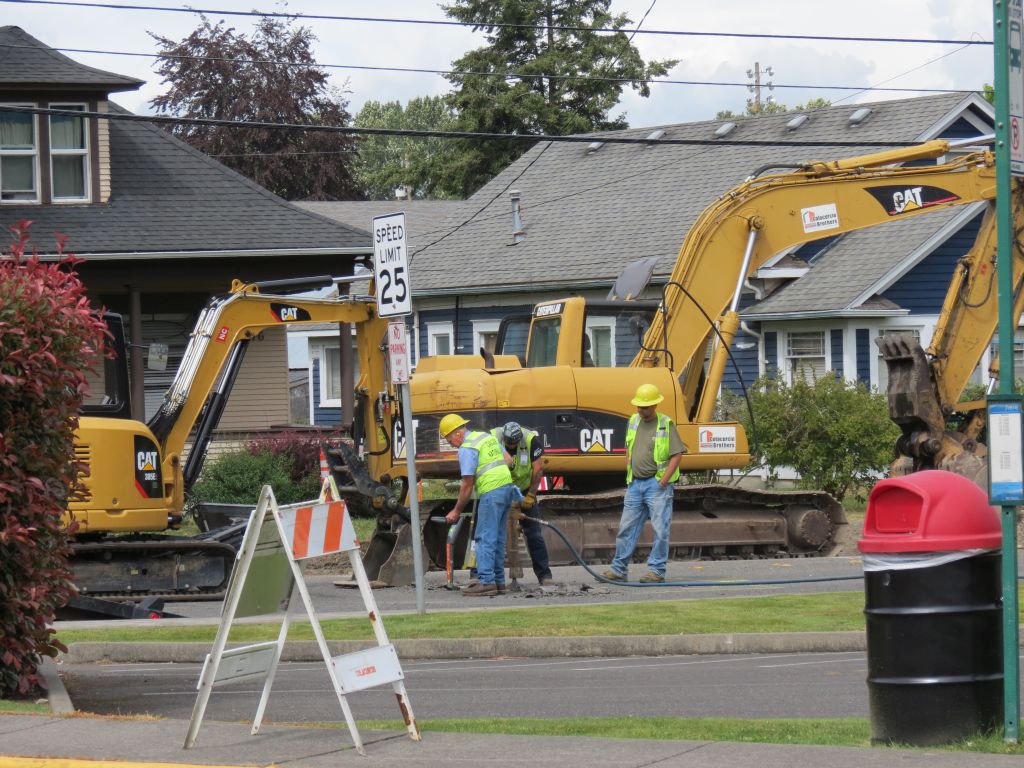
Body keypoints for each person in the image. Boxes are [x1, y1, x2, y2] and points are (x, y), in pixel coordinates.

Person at [600, 383, 686, 584]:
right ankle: (619, 569)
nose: (641, 410)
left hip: (656, 486)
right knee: (626, 529)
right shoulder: (633, 421)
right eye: (639, 406)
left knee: (660, 530)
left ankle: (656, 571)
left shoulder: (665, 424)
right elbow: (629, 448)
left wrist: (663, 481)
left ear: (655, 405)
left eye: (645, 407)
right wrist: (630, 475)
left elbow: (677, 454)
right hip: (636, 484)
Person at [440, 413, 517, 596]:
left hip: (491, 491)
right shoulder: (486, 438)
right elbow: (508, 460)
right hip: (506, 488)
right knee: (498, 538)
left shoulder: (466, 448)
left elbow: (467, 485)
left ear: (457, 434)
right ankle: (499, 582)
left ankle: (486, 581)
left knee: (484, 537)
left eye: (449, 440)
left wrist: (456, 510)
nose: (451, 444)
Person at [491, 421, 555, 586]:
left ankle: (545, 575)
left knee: (534, 534)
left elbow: (538, 469)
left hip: (524, 490)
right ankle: (479, 576)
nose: (511, 446)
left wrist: (531, 495)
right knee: (489, 534)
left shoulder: (530, 440)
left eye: (514, 443)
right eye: (509, 443)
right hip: (499, 490)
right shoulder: (493, 438)